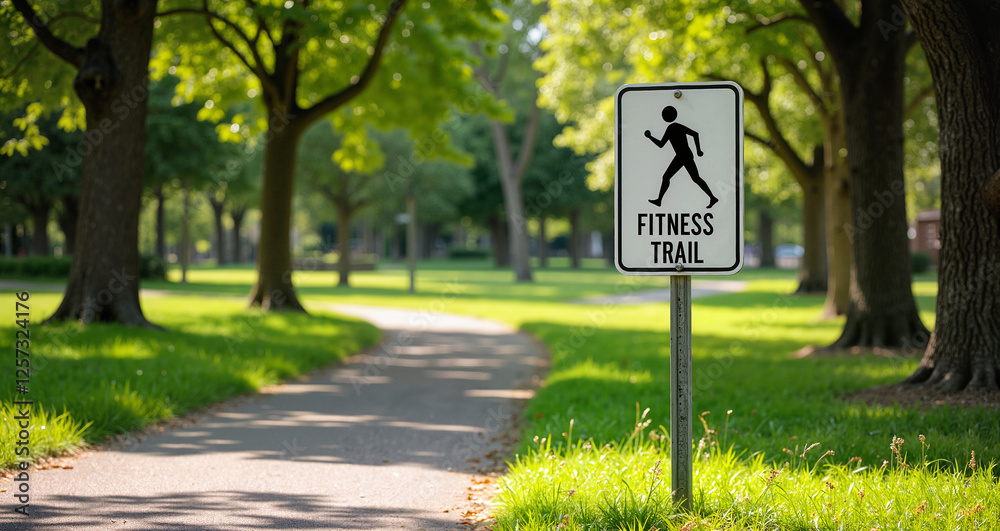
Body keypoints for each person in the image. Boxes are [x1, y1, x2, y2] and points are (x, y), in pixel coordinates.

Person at [645, 105, 719, 208]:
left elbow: (695, 134)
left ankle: (659, 200)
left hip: (683, 156)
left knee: (669, 177)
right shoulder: (674, 127)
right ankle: (712, 198)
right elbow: (662, 144)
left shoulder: (673, 127)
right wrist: (698, 150)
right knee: (695, 178)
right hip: (683, 155)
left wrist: (698, 150)